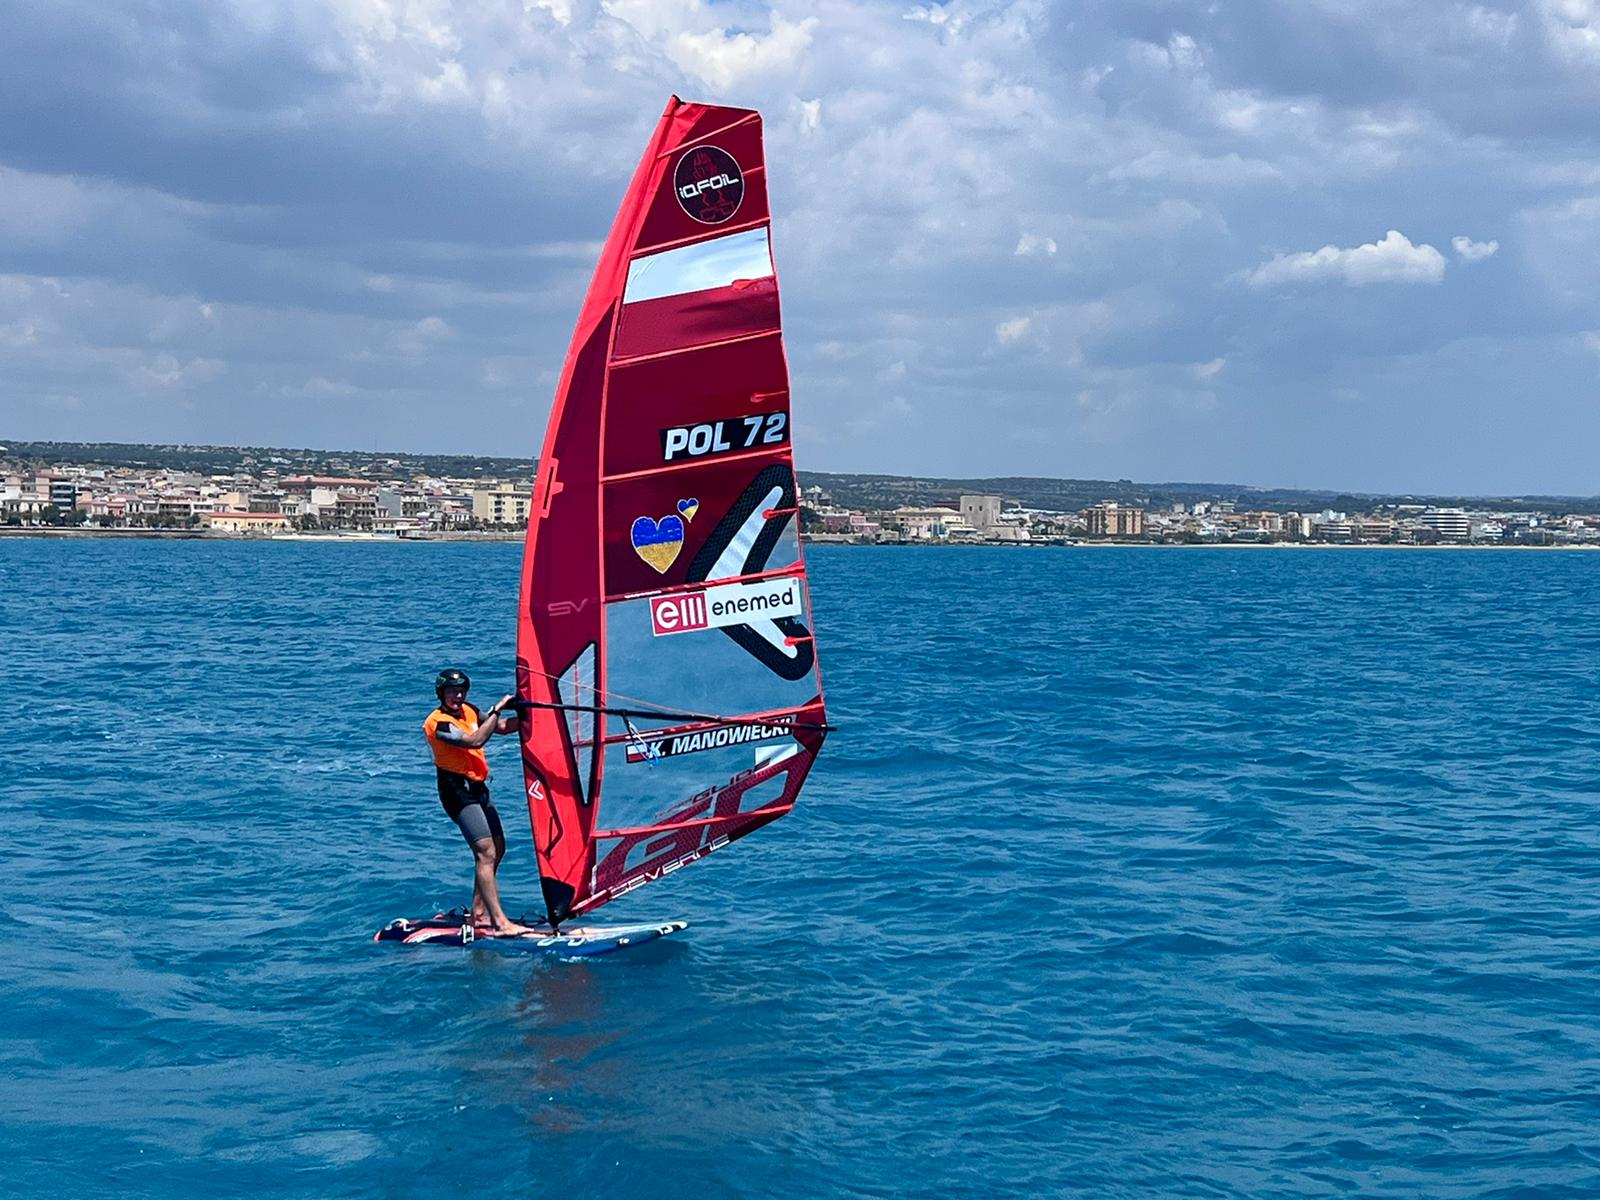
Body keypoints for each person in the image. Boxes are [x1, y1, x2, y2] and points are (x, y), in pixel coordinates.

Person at [422, 668, 533, 936]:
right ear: (441, 694)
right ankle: (500, 923)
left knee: (499, 847)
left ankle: (479, 914)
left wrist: (530, 712)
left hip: (478, 787)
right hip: (456, 791)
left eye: (461, 691)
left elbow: (503, 727)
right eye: (451, 692)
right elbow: (476, 739)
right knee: (486, 852)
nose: (458, 696)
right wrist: (497, 708)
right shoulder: (437, 723)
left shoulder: (470, 711)